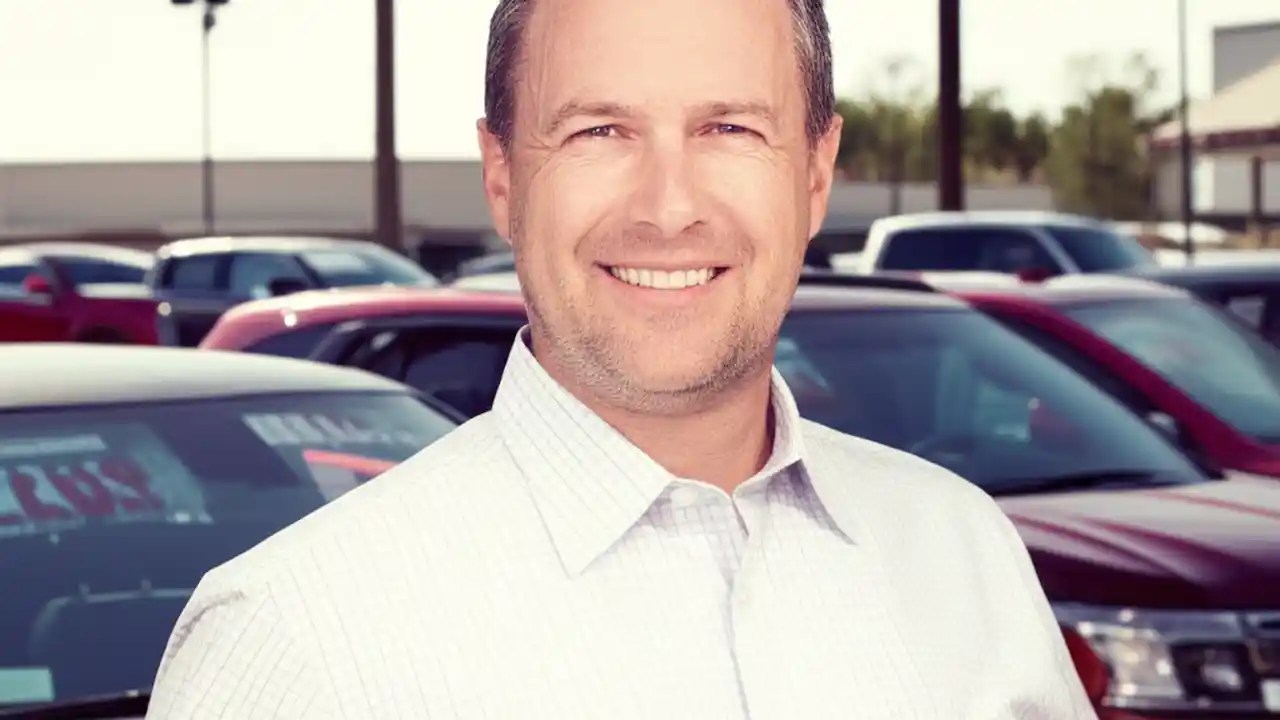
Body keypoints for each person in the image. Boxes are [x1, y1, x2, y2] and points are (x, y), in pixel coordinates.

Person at [146, 0, 1095, 717]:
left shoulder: (964, 551)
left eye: (730, 128)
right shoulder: (294, 636)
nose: (668, 206)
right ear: (503, 176)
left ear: (814, 174)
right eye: (600, 130)